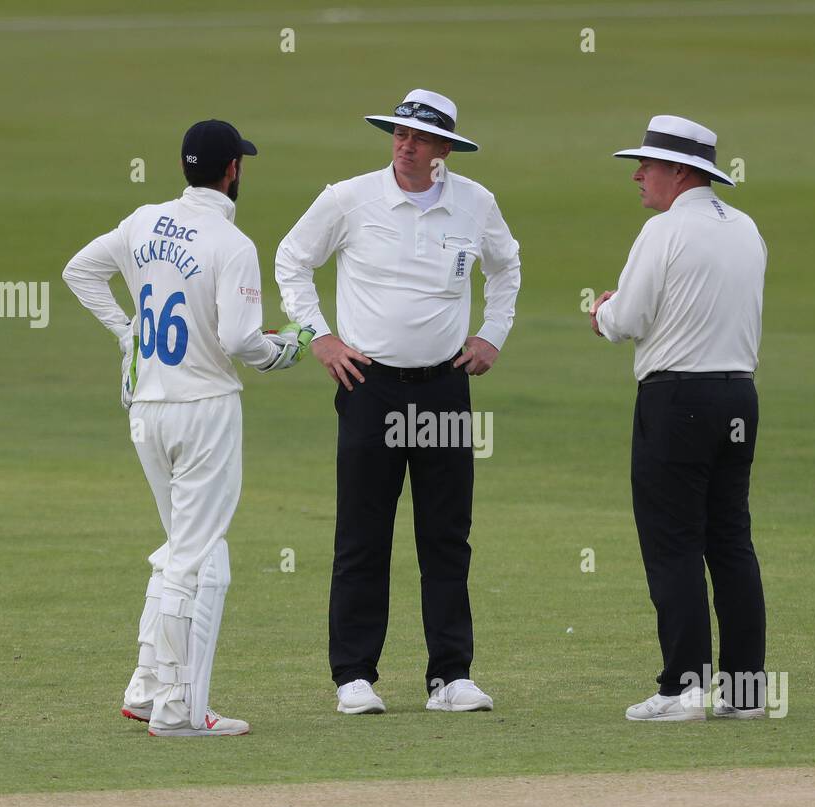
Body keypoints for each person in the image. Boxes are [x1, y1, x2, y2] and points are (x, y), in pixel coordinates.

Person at [276, 89, 521, 715]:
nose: (406, 146)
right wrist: (319, 338)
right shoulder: (349, 198)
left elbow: (506, 267)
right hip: (368, 386)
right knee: (363, 533)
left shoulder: (475, 203)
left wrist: (493, 333)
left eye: (420, 138)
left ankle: (451, 676)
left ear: (444, 149)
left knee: (446, 535)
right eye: (399, 135)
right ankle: (354, 675)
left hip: (443, 386)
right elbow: (292, 261)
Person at [63, 119, 309, 737]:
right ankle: (179, 709)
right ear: (233, 171)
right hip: (205, 409)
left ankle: (148, 687)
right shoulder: (233, 245)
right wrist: (287, 350)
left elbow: (79, 272)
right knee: (198, 561)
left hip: (148, 409)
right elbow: (238, 339)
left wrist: (128, 335)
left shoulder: (144, 220)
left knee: (181, 547)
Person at [590, 115, 769, 722]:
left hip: (677, 400)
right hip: (739, 398)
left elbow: (629, 320)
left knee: (673, 544)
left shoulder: (663, 231)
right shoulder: (747, 229)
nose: (638, 174)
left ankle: (684, 688)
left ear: (680, 171)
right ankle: (744, 692)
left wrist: (603, 312)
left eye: (648, 164)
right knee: (731, 542)